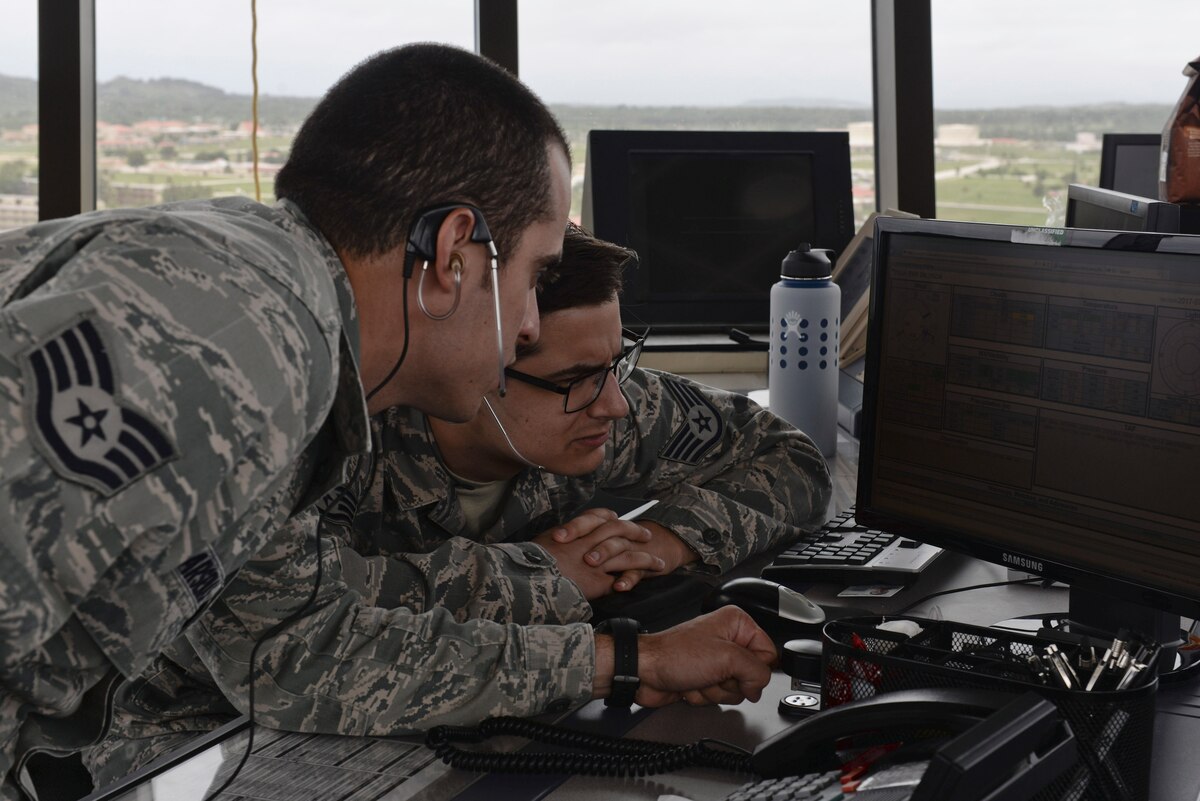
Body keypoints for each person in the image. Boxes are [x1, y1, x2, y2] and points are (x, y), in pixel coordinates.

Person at [2, 42, 558, 800]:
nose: (530, 325)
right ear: (453, 255)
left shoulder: (292, 341)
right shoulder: (246, 337)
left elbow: (287, 633)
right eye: (534, 274)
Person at [84, 224, 828, 785]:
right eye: (577, 376)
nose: (616, 405)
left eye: (618, 362)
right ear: (478, 358)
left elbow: (789, 458)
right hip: (205, 735)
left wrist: (672, 537)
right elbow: (313, 637)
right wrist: (543, 583)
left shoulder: (595, 407)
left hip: (457, 711)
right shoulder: (326, 443)